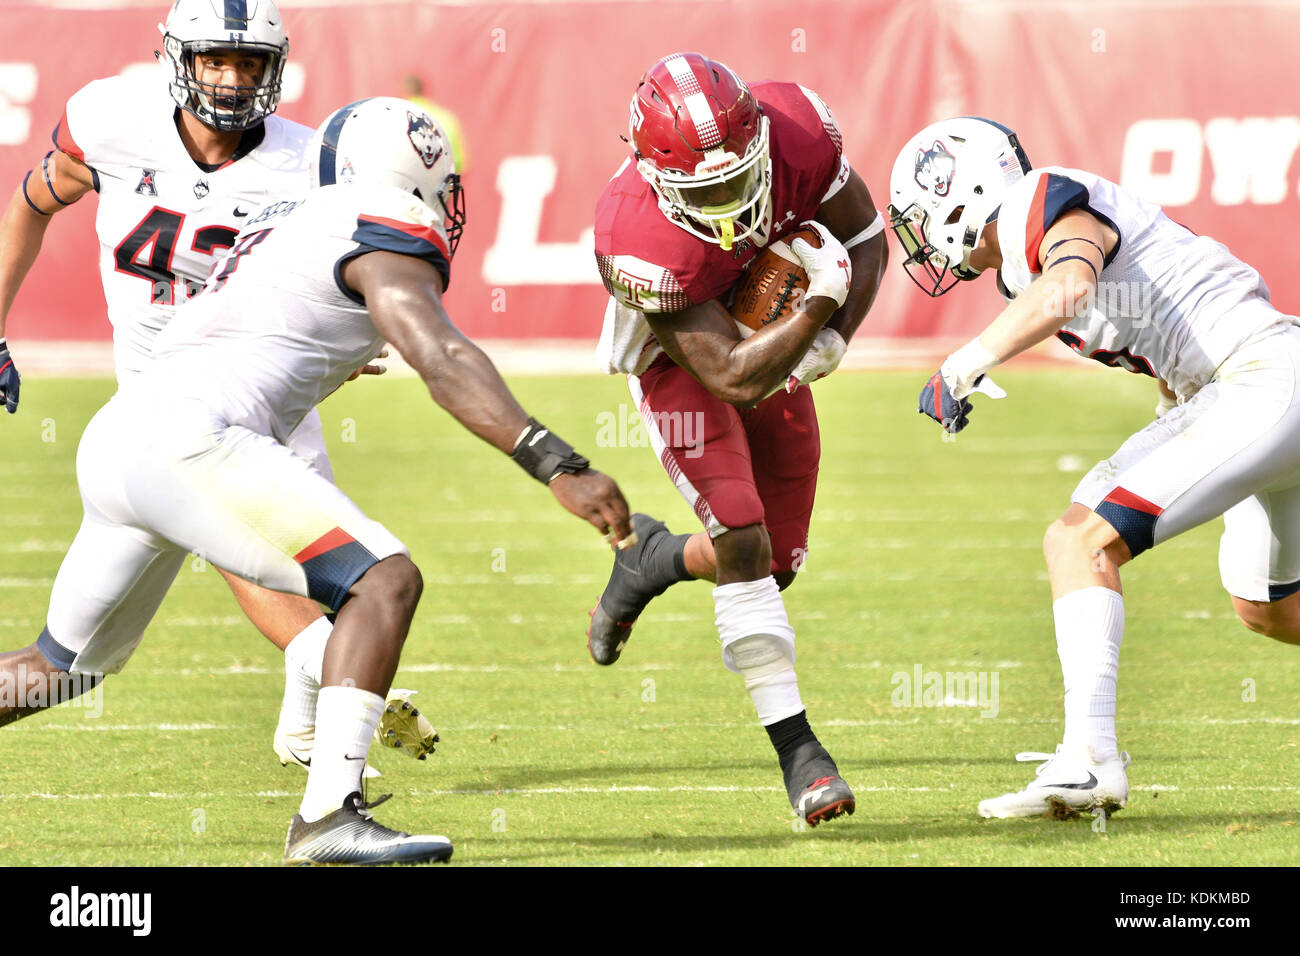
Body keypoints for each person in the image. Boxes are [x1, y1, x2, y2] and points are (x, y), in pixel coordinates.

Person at [0, 96, 633, 864]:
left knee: (60, 670)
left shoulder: (292, 222)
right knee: (384, 581)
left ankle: (325, 784)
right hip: (185, 439)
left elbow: (274, 335)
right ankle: (330, 814)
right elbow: (444, 358)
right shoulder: (381, 223)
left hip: (124, 435)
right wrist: (555, 462)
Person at [0, 0, 433, 774]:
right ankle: (320, 717)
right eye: (214, 61)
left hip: (259, 404)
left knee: (68, 667)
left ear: (276, 68)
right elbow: (29, 207)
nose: (231, 81)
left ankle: (312, 724)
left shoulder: (312, 164)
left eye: (249, 64)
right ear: (176, 57)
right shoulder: (111, 122)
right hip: (161, 417)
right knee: (341, 584)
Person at [888, 116, 1300, 818]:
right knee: (1269, 609)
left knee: (1076, 538)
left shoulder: (1036, 204)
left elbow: (1070, 287)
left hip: (1261, 377)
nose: (921, 238)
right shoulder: (1029, 252)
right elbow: (1166, 344)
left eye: (920, 217)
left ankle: (1089, 758)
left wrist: (963, 365)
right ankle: (1087, 759)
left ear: (959, 194)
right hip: (1256, 384)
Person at [587, 52, 888, 825]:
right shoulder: (635, 233)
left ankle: (654, 558)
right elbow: (728, 375)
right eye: (704, 188)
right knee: (742, 531)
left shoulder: (797, 132)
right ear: (652, 173)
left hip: (775, 337)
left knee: (775, 564)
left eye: (736, 178)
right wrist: (817, 308)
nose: (726, 202)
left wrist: (832, 338)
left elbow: (868, 240)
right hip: (685, 357)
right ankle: (802, 755)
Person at [401, 74, 468, 174]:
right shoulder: (445, 116)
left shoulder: (401, 116)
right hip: (443, 182)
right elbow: (459, 162)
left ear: (404, 90)